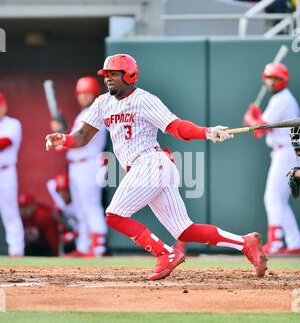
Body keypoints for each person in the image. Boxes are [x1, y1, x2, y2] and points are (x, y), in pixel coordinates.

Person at [46, 53, 268, 280]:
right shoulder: (102, 103)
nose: (109, 79)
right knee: (184, 230)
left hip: (150, 163)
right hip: (148, 168)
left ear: (129, 75)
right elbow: (82, 136)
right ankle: (245, 242)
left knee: (114, 216)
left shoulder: (144, 99)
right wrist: (63, 139)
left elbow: (176, 127)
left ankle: (165, 253)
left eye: (114, 74)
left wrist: (207, 132)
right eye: (107, 74)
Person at [243, 62, 300, 255]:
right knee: (279, 200)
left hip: (286, 152)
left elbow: (259, 130)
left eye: (275, 78)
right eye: (269, 78)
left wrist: (251, 118)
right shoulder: (279, 99)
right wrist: (256, 116)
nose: (271, 82)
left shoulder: (281, 99)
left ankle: (275, 242)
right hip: (285, 151)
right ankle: (294, 242)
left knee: (273, 198)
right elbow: (265, 123)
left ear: (283, 80)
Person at [50, 76, 107, 257]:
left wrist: (61, 133)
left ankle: (98, 248)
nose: (83, 96)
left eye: (87, 93)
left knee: (91, 207)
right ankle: (83, 247)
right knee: (81, 209)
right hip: (77, 166)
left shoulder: (95, 112)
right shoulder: (83, 114)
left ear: (94, 94)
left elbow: (79, 139)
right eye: (81, 93)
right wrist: (61, 131)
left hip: (89, 164)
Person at [0, 92, 24, 257]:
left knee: (10, 213)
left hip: (5, 172)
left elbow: (4, 142)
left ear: (4, 106)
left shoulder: (12, 124)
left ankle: (16, 251)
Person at [47, 172, 90, 255]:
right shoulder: (56, 195)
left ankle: (83, 252)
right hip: (70, 223)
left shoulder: (79, 202)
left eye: (65, 191)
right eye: (59, 191)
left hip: (85, 228)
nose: (62, 194)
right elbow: (50, 184)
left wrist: (74, 233)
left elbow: (84, 223)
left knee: (84, 246)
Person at [19, 192, 59, 256]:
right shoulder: (17, 218)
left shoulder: (43, 216)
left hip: (43, 248)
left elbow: (52, 239)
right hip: (26, 248)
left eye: (26, 207)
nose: (24, 210)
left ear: (33, 206)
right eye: (21, 207)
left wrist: (55, 254)